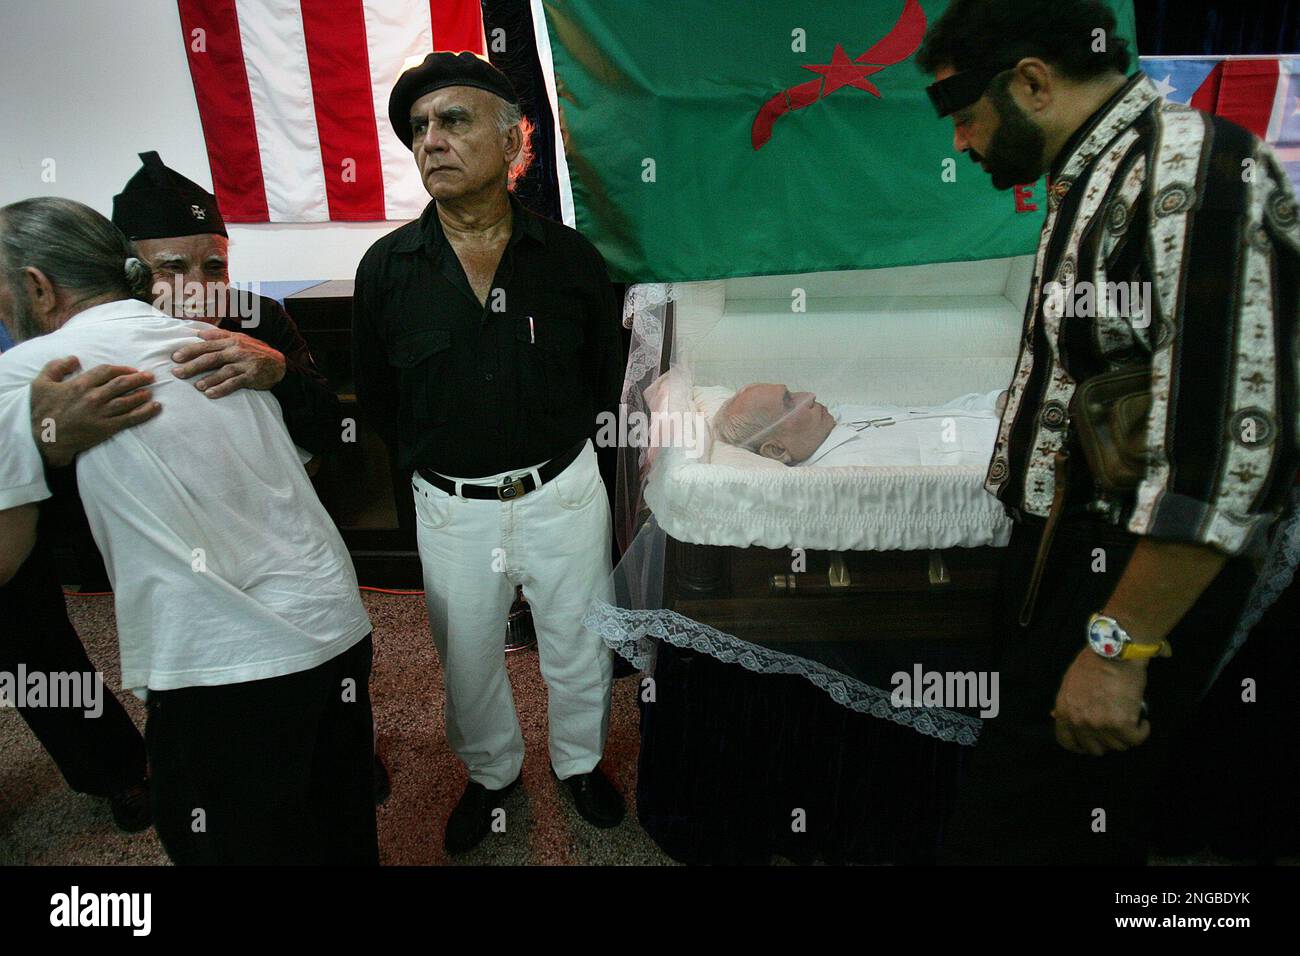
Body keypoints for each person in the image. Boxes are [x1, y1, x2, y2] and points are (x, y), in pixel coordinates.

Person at [917, 0, 1299, 863]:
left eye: (962, 114)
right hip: (1067, 560)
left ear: (1032, 83)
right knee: (1066, 818)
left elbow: (1230, 450)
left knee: (1016, 830)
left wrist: (1117, 650)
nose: (960, 142)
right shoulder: (1096, 176)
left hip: (1126, 580)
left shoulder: (1197, 176)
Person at [0, 197, 378, 864]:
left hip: (223, 660)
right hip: (334, 621)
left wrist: (29, 443)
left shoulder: (32, 373)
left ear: (36, 286)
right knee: (338, 829)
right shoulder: (215, 341)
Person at [352, 52, 625, 855]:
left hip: (562, 493)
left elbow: (602, 382)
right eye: (418, 128)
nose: (430, 139)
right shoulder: (388, 271)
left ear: (513, 142)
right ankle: (493, 775)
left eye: (454, 120)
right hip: (452, 507)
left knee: (581, 645)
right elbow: (379, 403)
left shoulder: (571, 263)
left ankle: (579, 763)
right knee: (467, 660)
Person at [714, 382, 1002, 467]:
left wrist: (996, 401)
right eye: (790, 401)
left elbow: (943, 412)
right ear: (776, 450)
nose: (810, 395)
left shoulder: (843, 415)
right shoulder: (849, 469)